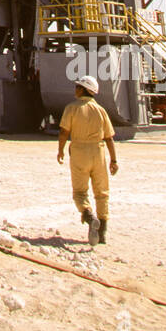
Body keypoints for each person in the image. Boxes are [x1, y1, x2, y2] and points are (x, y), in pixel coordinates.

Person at [57, 75, 118, 245]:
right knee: (102, 193)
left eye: (77, 86)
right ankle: (103, 233)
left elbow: (63, 132)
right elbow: (109, 138)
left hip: (79, 152)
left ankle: (90, 218)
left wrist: (60, 150)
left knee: (79, 192)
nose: (75, 89)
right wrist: (114, 160)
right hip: (99, 152)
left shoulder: (71, 108)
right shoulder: (101, 110)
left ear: (84, 89)